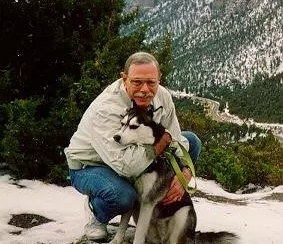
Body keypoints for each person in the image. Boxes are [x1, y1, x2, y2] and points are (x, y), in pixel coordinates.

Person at [64, 52, 201, 241]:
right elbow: (126, 166)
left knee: (191, 141)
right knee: (123, 196)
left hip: (134, 156)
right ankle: (97, 211)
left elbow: (177, 138)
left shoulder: (163, 96)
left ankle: (157, 203)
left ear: (158, 80)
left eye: (151, 82)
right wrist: (159, 145)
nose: (145, 89)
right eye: (137, 82)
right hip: (92, 165)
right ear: (124, 78)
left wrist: (184, 172)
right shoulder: (106, 108)